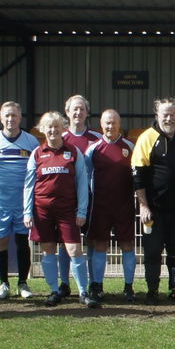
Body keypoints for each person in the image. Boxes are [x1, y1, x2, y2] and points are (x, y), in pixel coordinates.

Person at [24, 111, 91, 307]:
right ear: (43, 130)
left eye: (56, 126)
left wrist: (82, 211)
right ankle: (54, 290)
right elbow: (29, 185)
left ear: (63, 128)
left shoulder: (73, 152)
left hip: (67, 210)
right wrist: (27, 212)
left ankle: (83, 292)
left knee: (74, 249)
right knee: (48, 251)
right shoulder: (37, 154)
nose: (53, 130)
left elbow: (82, 182)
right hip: (42, 211)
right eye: (49, 127)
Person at [132, 97, 175, 305]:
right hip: (154, 210)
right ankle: (152, 291)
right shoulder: (146, 138)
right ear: (157, 116)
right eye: (165, 114)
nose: (169, 118)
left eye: (173, 114)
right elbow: (138, 175)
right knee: (152, 252)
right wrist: (143, 205)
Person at [0, 101, 39, 300]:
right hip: (0, 202)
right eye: (6, 115)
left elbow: (36, 172)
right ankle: (3, 284)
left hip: (23, 203)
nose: (10, 119)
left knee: (23, 242)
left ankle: (23, 283)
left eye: (14, 115)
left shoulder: (31, 142)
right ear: (0, 117)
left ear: (20, 117)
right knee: (0, 241)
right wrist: (1, 188)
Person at [84, 109, 137, 303]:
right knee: (100, 245)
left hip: (124, 206)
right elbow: (86, 175)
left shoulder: (130, 147)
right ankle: (97, 286)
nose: (110, 126)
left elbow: (137, 174)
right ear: (101, 125)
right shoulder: (93, 149)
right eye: (107, 123)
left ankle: (129, 287)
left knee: (128, 245)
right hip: (100, 206)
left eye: (114, 123)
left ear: (119, 124)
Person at [57, 94, 101, 297]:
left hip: (91, 199)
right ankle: (64, 283)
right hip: (66, 201)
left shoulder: (96, 139)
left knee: (91, 240)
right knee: (65, 243)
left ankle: (93, 283)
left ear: (87, 112)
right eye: (74, 109)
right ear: (67, 112)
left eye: (82, 109)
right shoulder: (60, 139)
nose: (78, 113)